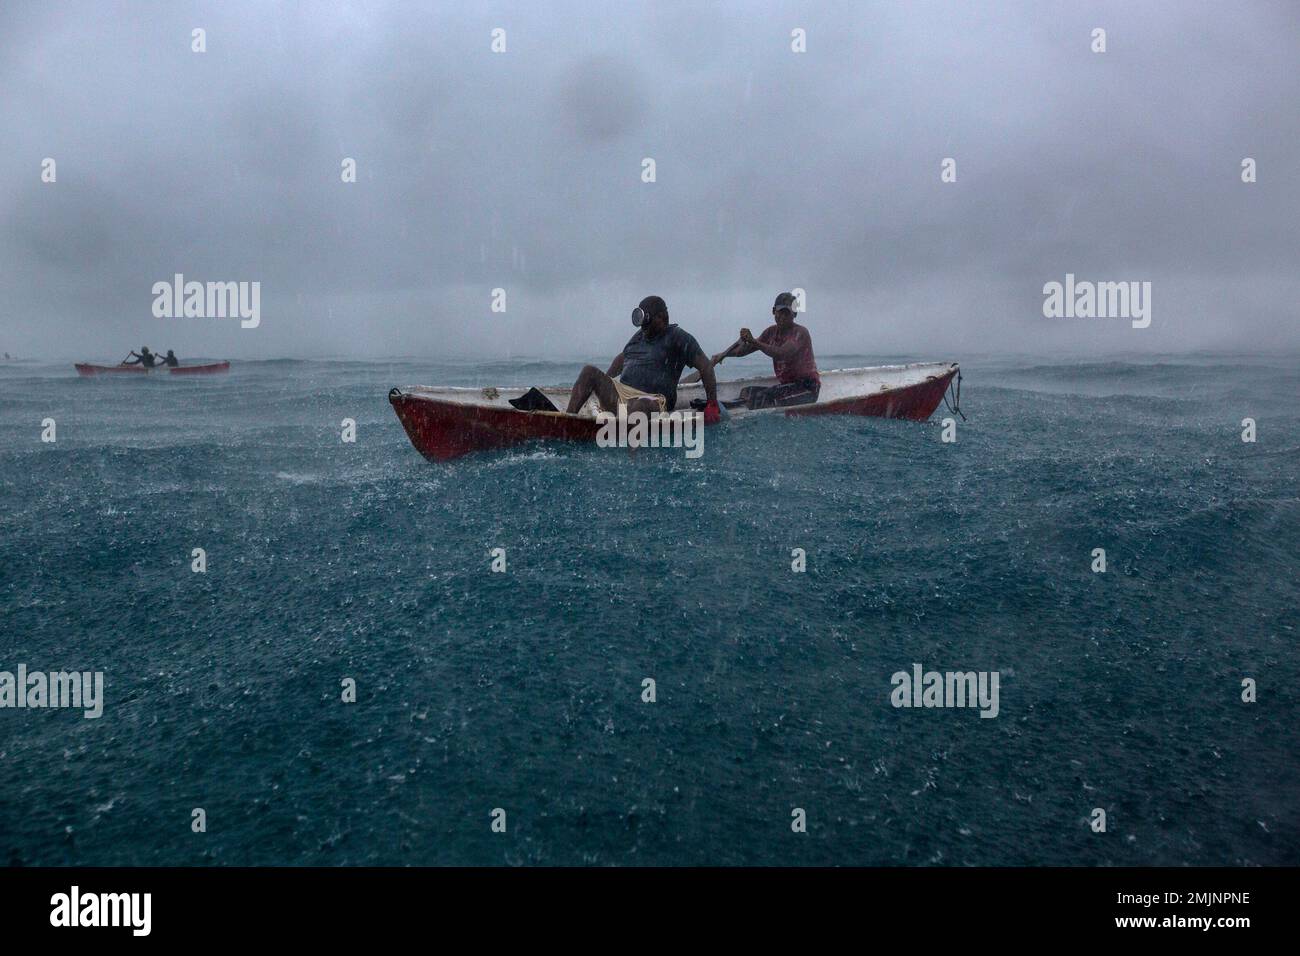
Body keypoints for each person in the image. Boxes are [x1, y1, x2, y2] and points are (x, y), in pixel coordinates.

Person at [566, 295, 721, 423]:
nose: (643, 329)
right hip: (623, 397)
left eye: (647, 324)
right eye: (641, 325)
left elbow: (706, 367)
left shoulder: (678, 337)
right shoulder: (639, 335)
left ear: (662, 318)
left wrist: (712, 404)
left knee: (639, 404)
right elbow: (622, 358)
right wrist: (605, 383)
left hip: (653, 401)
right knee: (589, 372)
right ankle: (568, 421)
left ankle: (632, 455)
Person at [710, 292, 820, 408]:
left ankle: (740, 409)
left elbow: (782, 353)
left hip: (807, 388)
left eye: (787, 313)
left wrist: (754, 341)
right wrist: (722, 355)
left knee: (762, 397)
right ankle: (732, 407)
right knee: (747, 392)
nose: (782, 317)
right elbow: (743, 351)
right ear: (774, 311)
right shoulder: (770, 332)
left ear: (794, 315)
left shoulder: (800, 332)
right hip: (787, 386)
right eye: (780, 312)